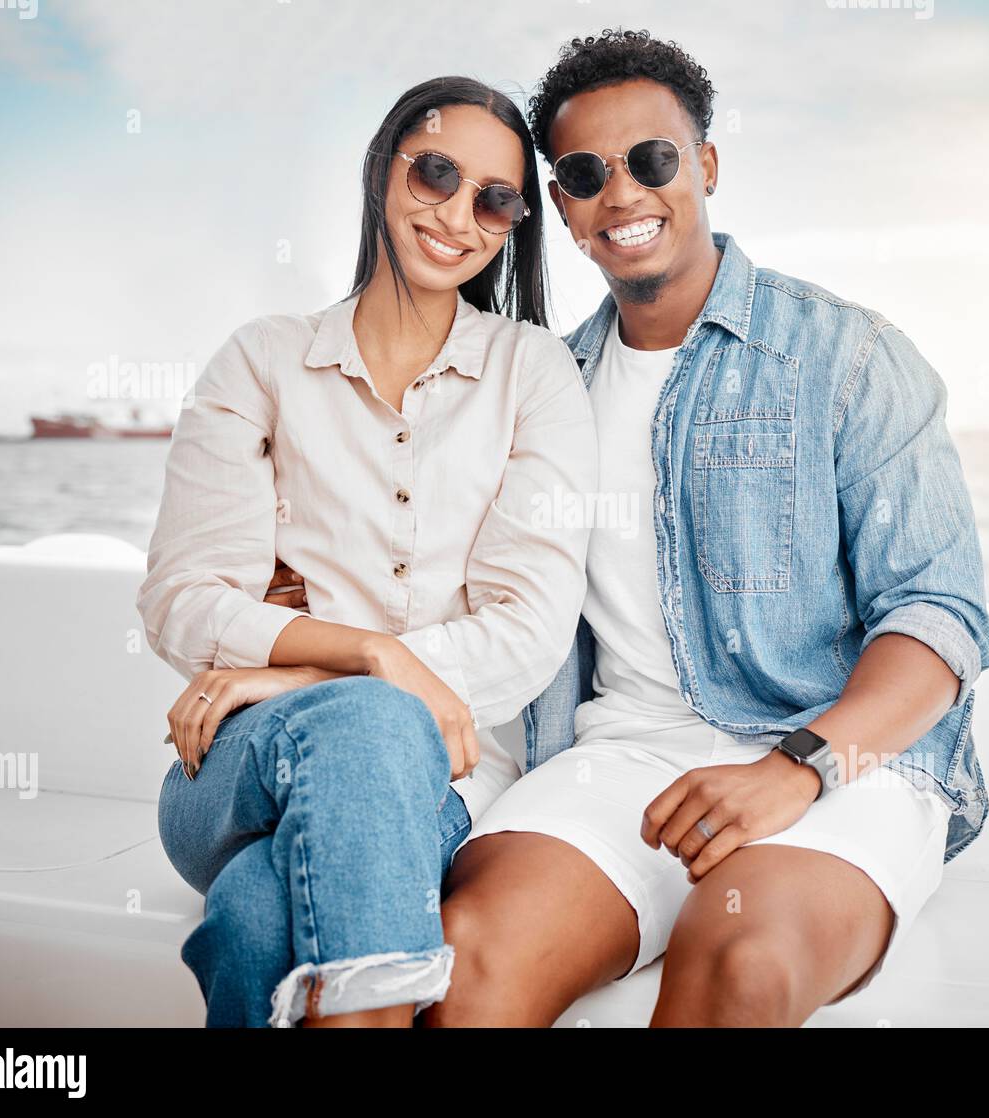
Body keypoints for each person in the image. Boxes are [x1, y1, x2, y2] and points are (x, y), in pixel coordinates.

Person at [423, 29, 989, 1028]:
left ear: (707, 166)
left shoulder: (850, 355)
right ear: (559, 203)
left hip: (838, 760)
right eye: (586, 173)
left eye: (652, 159)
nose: (624, 194)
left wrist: (797, 768)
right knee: (464, 969)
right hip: (618, 760)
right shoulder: (541, 391)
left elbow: (938, 615)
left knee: (741, 961)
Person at [138, 76, 597, 1027]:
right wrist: (368, 655)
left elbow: (529, 632)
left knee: (258, 920)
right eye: (436, 172)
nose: (458, 215)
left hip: (449, 774)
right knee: (373, 719)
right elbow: (183, 598)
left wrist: (301, 670)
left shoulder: (533, 373)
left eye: (495, 198)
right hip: (235, 774)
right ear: (384, 170)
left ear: (513, 223)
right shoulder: (262, 360)